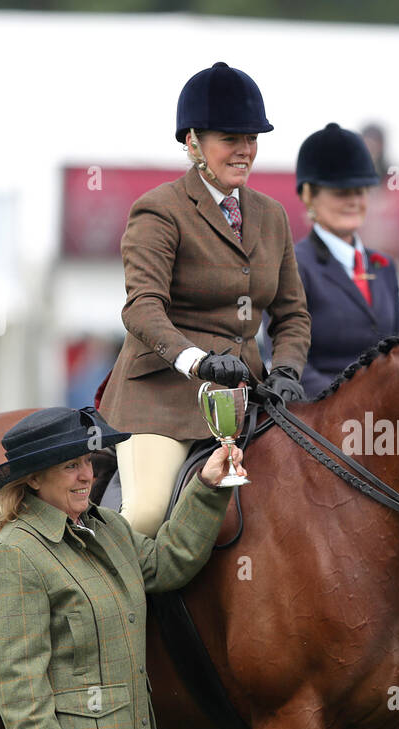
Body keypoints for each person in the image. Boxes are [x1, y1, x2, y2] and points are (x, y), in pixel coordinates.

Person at [0, 406, 243, 729]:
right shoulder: (15, 554)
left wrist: (206, 486)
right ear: (34, 480)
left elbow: (167, 562)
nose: (88, 474)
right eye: (70, 465)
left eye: (88, 460)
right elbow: (17, 677)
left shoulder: (106, 529)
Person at [96, 62, 310, 536]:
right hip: (163, 399)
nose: (245, 150)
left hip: (247, 397)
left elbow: (292, 313)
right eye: (230, 139)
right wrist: (198, 361)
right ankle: (108, 603)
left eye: (252, 138)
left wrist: (288, 370)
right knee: (148, 514)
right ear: (193, 143)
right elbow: (142, 307)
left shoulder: (271, 216)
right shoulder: (160, 209)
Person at [292, 122, 399, 398]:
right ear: (309, 195)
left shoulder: (384, 266)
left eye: (360, 190)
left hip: (385, 413)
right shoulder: (294, 265)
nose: (353, 200)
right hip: (320, 417)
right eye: (341, 192)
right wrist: (354, 402)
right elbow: (293, 365)